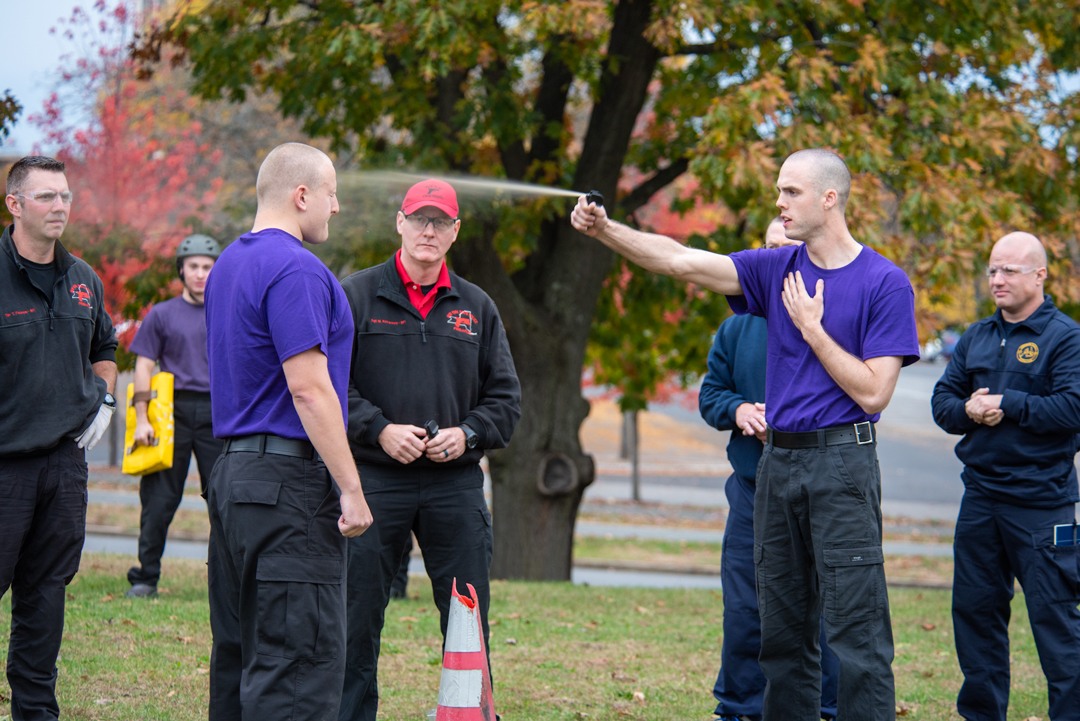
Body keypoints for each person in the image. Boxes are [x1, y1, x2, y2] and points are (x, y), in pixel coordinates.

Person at [571, 149, 920, 720]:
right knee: (780, 636)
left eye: (791, 192)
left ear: (829, 199)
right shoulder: (775, 268)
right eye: (779, 191)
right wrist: (607, 229)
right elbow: (681, 261)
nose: (779, 203)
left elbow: (875, 393)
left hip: (842, 465)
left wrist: (813, 329)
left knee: (856, 639)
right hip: (776, 466)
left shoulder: (884, 282)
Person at [338, 178, 521, 721]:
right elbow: (326, 389)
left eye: (440, 221)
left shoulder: (477, 306)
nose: (428, 230)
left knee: (467, 621)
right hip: (374, 481)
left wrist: (467, 433)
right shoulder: (356, 295)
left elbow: (506, 401)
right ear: (400, 222)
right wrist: (378, 429)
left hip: (455, 486)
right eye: (419, 219)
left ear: (455, 231)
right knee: (355, 618)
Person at [203, 142, 373, 721]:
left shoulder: (228, 263)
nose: (337, 206)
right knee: (296, 666)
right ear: (302, 196)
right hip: (287, 488)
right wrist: (350, 486)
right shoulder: (296, 268)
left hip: (233, 478)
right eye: (330, 194)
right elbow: (309, 387)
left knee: (239, 652)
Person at [931, 232, 1080, 721]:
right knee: (975, 616)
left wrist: (1007, 403)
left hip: (1041, 504)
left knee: (1056, 623)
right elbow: (942, 403)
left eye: (1009, 271)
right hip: (980, 501)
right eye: (993, 270)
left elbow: (1073, 407)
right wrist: (970, 410)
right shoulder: (977, 335)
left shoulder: (1065, 337)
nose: (997, 279)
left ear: (1040, 275)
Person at [702, 218, 839, 721]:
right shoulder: (737, 325)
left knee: (822, 607)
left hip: (820, 485)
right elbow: (711, 393)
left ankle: (827, 707)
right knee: (744, 606)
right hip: (752, 488)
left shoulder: (835, 317)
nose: (776, 259)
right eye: (767, 248)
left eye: (788, 248)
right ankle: (740, 707)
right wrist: (738, 411)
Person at [0, 155, 118, 720]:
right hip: (4, 469)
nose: (61, 207)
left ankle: (35, 711)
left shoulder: (83, 280)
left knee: (46, 597)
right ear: (15, 204)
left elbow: (106, 350)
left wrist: (105, 400)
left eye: (66, 196)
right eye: (47, 197)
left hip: (65, 469)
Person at [125, 233, 224, 598]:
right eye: (193, 267)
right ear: (181, 270)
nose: (200, 274)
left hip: (220, 413)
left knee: (224, 498)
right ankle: (145, 577)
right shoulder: (162, 314)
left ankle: (226, 580)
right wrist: (143, 418)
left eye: (207, 267)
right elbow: (143, 367)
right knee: (159, 500)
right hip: (171, 413)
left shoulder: (228, 311)